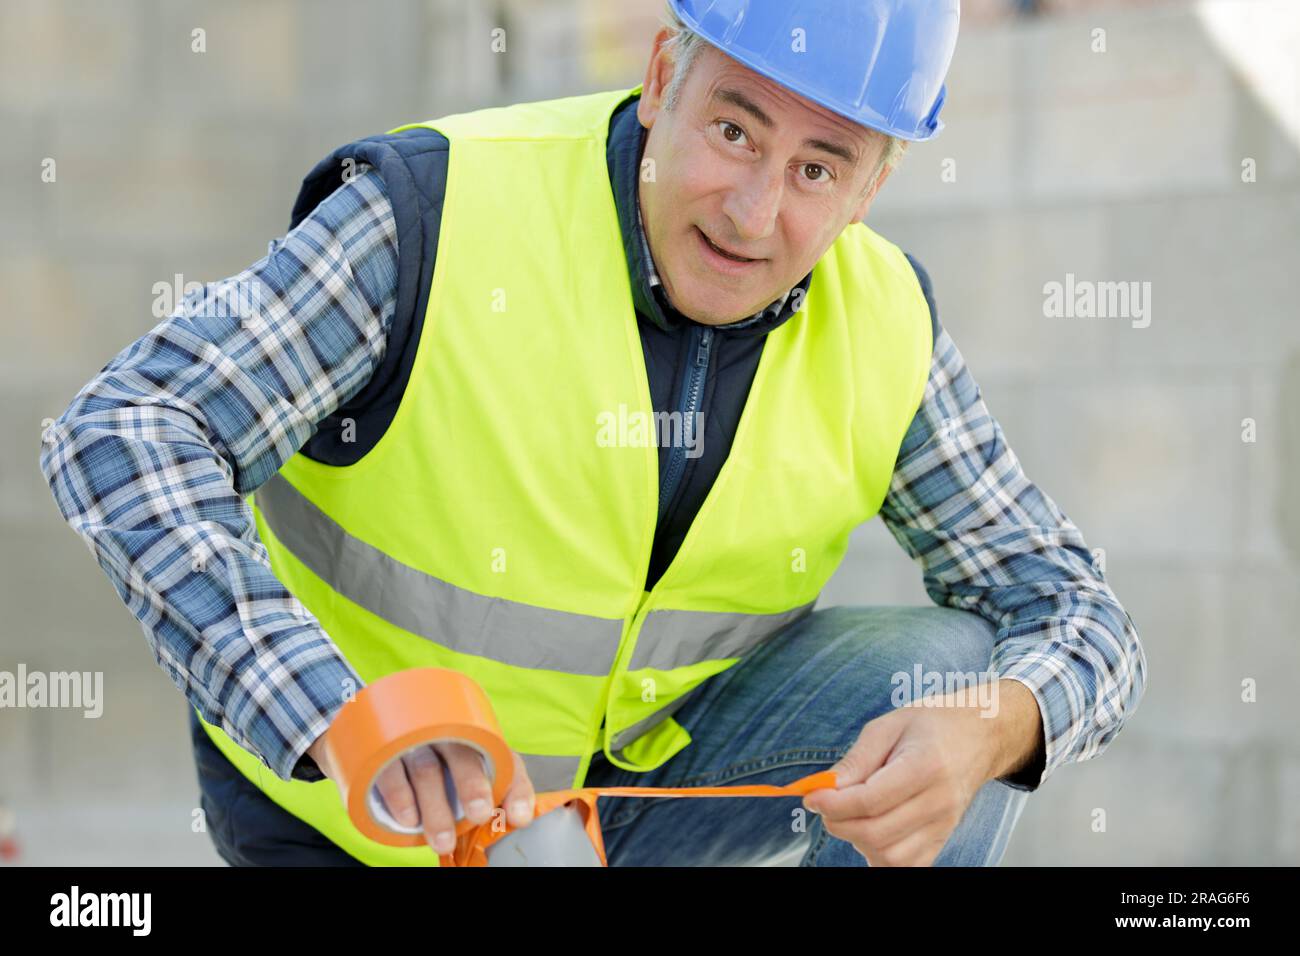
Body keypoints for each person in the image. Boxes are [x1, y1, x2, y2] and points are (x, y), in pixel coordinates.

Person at [40, 0, 1145, 867]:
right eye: (732, 128)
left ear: (870, 188)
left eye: (818, 167)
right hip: (354, 809)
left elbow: (1072, 608)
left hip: (618, 812)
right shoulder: (433, 213)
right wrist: (332, 708)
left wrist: (1005, 722)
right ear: (663, 76)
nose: (753, 212)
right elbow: (130, 427)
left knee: (957, 680)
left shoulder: (885, 319)